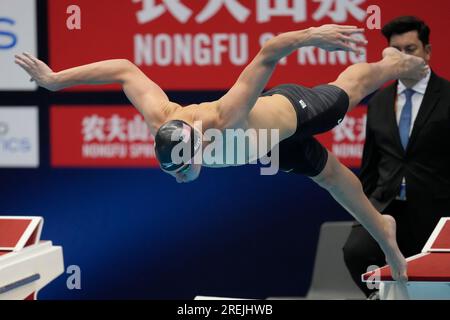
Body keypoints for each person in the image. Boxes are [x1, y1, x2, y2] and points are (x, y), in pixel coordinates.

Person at [15, 24, 428, 281]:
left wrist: (312, 36)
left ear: (201, 149)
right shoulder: (163, 116)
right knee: (333, 179)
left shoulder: (225, 115)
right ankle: (384, 229)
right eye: (172, 172)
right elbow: (124, 68)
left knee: (351, 88)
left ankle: (394, 62)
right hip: (269, 150)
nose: (179, 179)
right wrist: (56, 80)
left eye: (183, 170)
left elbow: (269, 52)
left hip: (293, 114)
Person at [343, 16, 450, 297]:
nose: (403, 57)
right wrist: (363, 211)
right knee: (355, 251)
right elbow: (370, 164)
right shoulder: (379, 101)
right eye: (396, 51)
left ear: (427, 52)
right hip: (387, 205)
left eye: (410, 49)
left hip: (436, 207)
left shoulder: (448, 95)